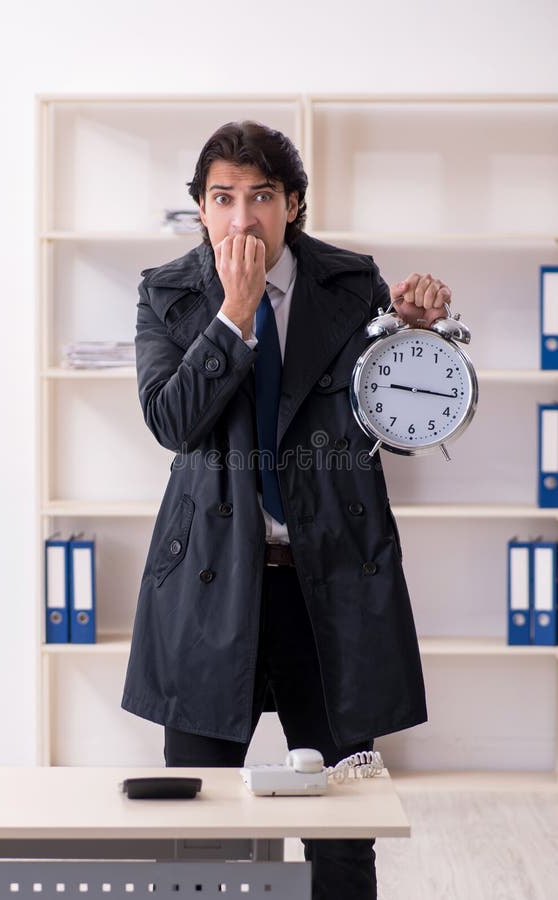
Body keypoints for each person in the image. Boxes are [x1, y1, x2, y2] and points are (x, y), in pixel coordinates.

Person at [122, 120, 452, 899]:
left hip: (327, 588)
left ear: (293, 204)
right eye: (223, 198)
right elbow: (171, 422)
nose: (242, 219)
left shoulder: (351, 284)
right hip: (209, 589)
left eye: (261, 196)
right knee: (197, 839)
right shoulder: (167, 294)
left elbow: (390, 432)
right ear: (199, 208)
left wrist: (414, 342)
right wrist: (234, 318)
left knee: (343, 837)